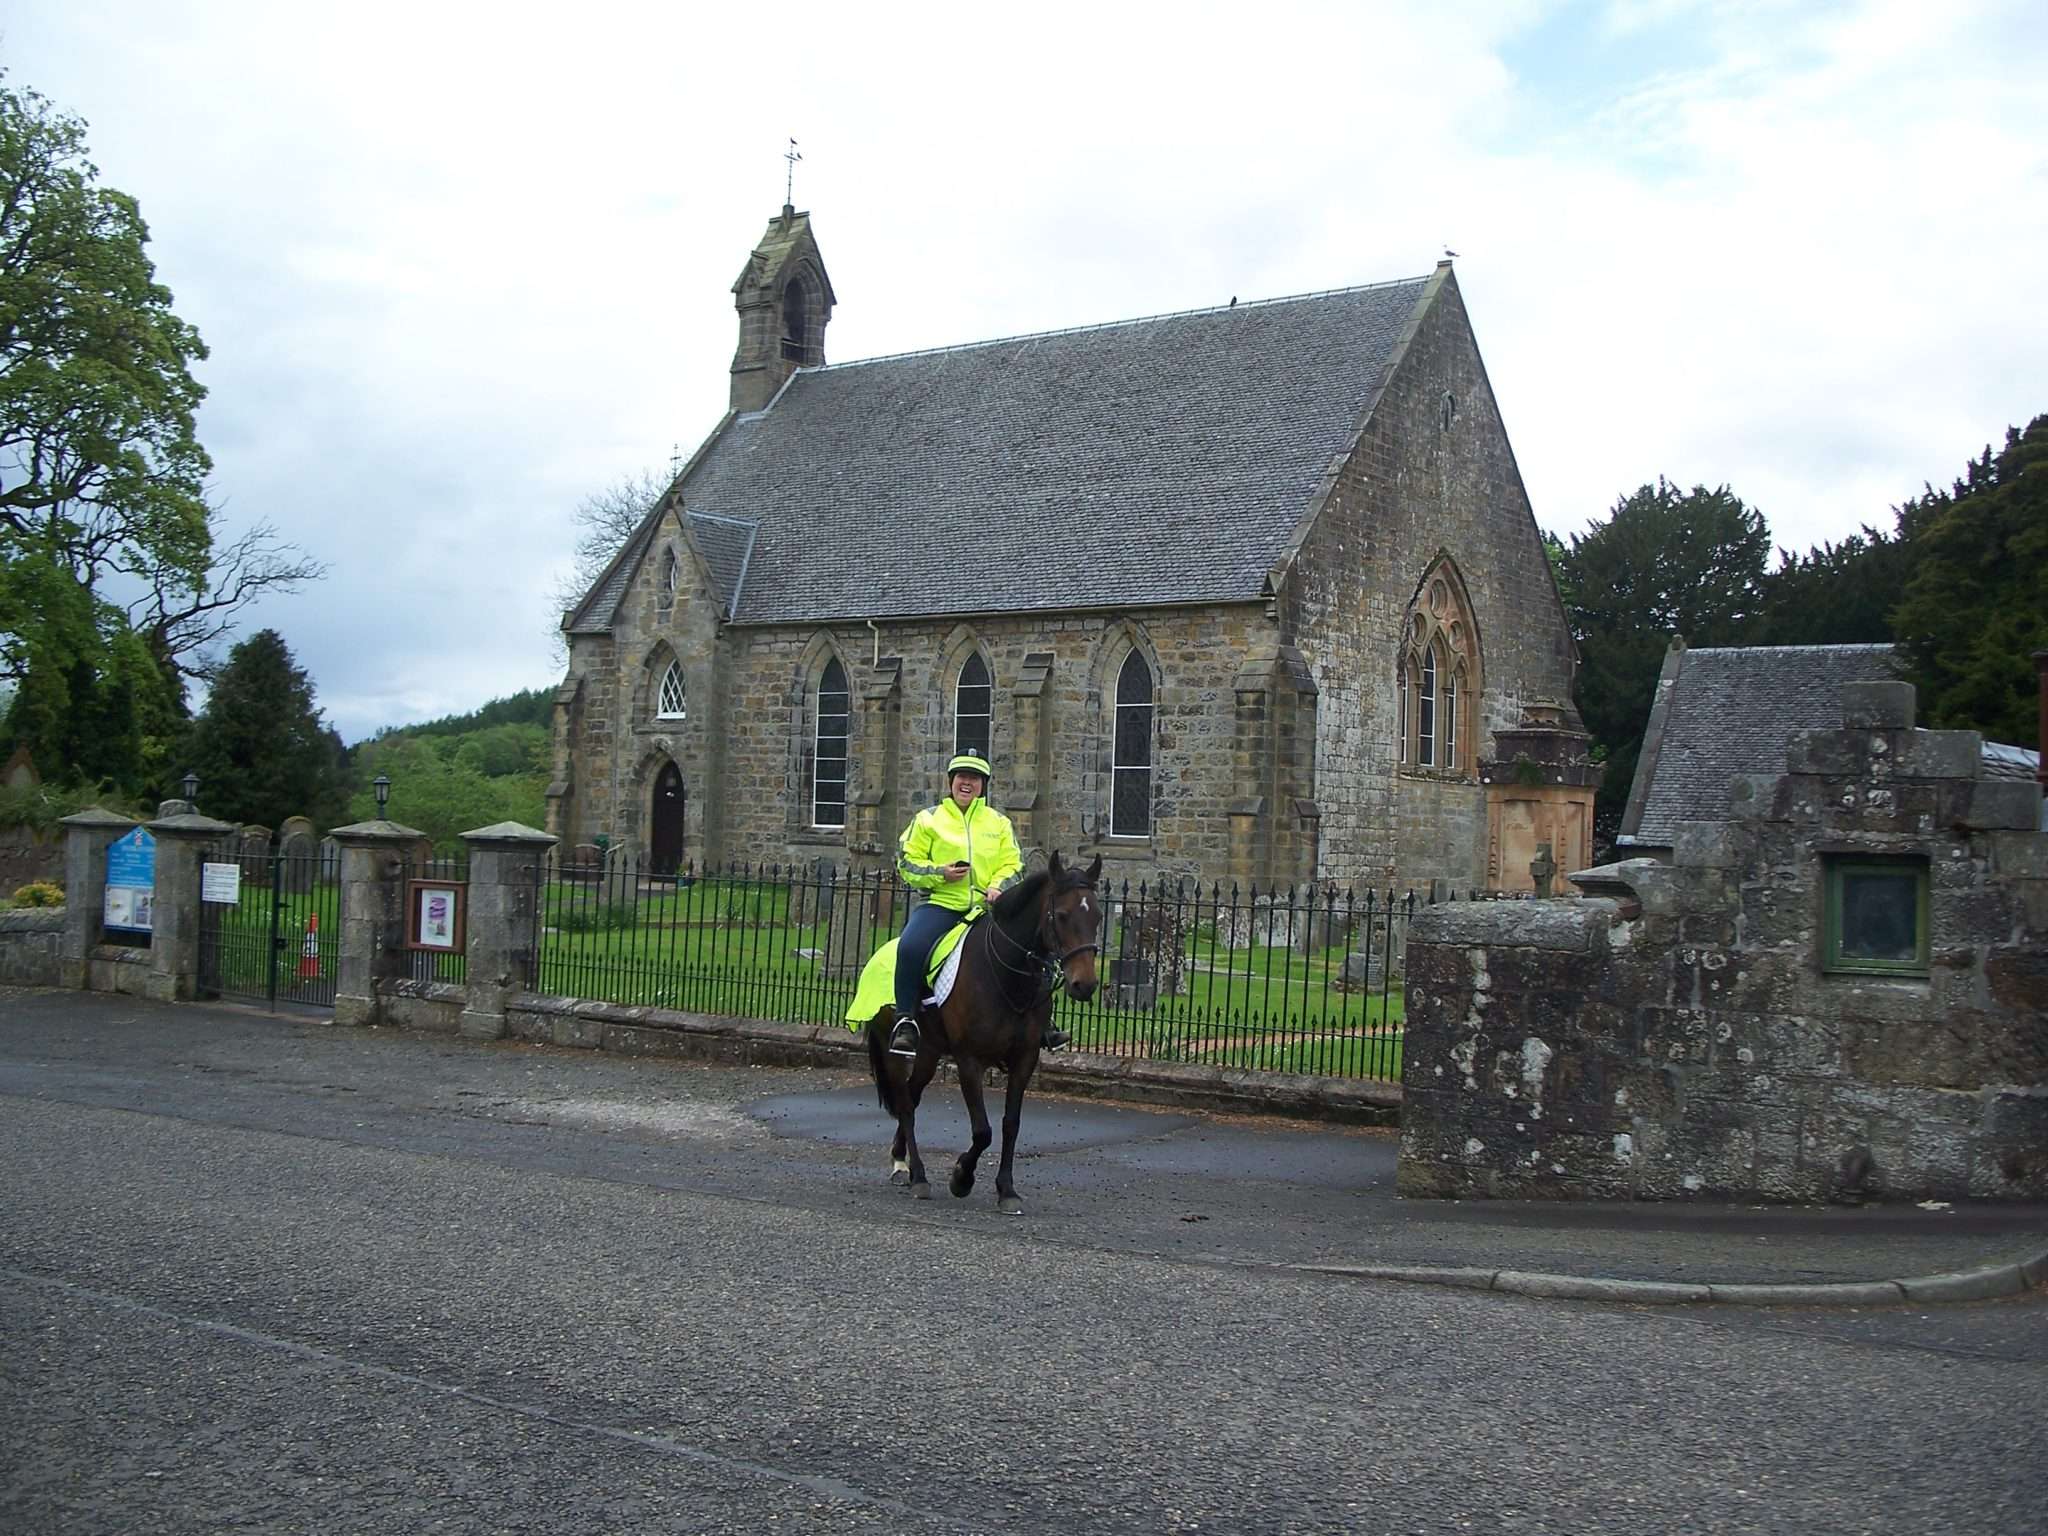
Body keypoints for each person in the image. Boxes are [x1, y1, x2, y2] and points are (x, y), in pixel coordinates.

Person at [889, 751, 1067, 1056]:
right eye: (961, 777)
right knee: (910, 947)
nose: (967, 783)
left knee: (1036, 951)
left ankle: (1043, 1025)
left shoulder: (998, 823)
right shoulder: (928, 819)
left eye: (974, 778)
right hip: (942, 904)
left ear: (983, 786)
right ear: (950, 782)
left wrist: (999, 887)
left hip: (988, 909)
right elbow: (907, 862)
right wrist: (940, 873)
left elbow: (1013, 863)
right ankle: (906, 1021)